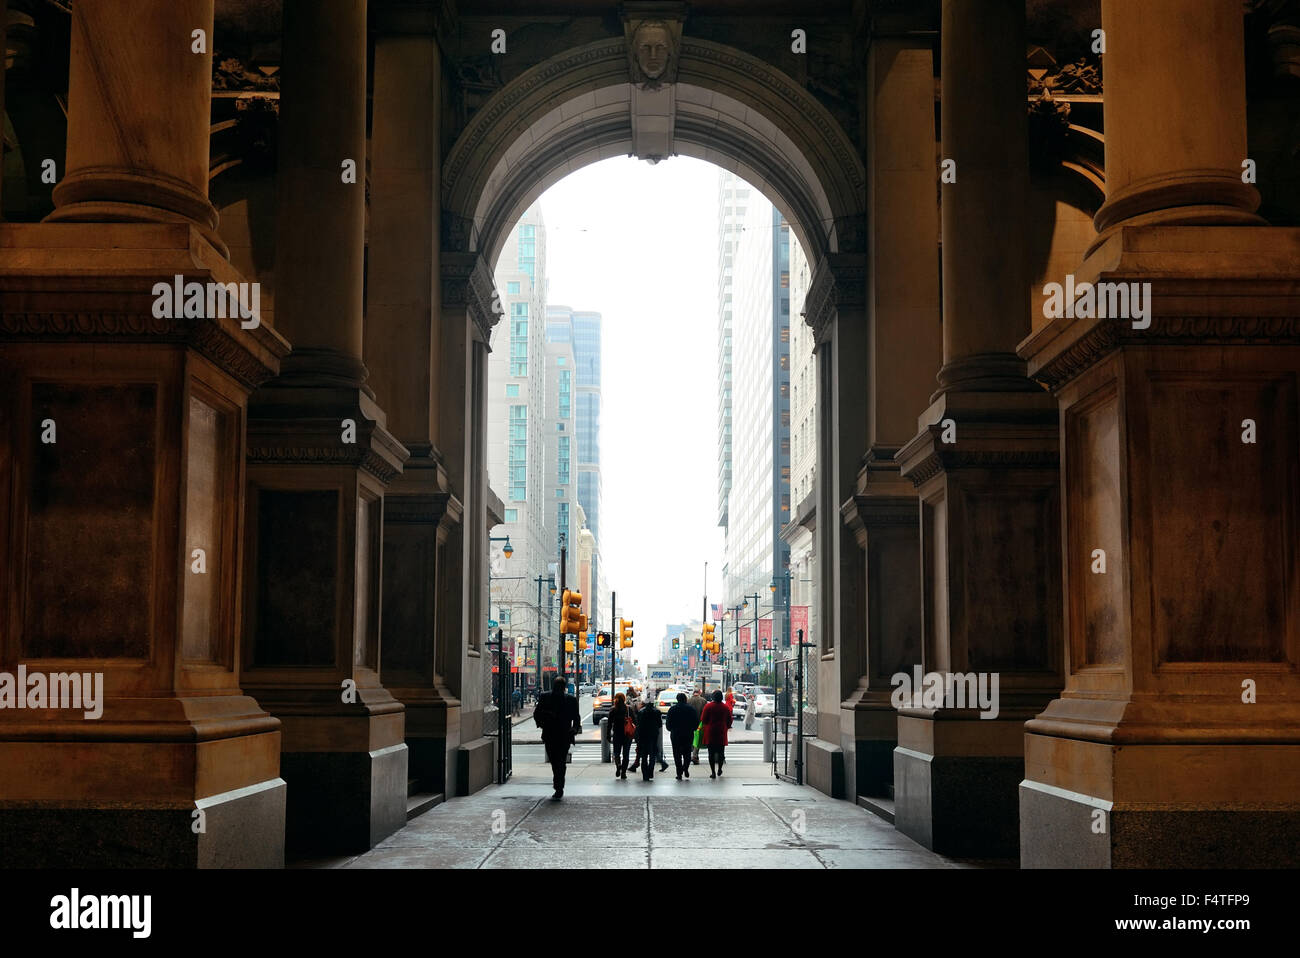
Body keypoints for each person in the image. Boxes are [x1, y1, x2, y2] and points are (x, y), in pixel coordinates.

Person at [534, 676, 581, 799]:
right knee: (558, 762)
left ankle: (558, 785)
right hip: (557, 734)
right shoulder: (566, 699)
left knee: (557, 761)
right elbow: (576, 718)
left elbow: (576, 718)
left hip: (558, 734)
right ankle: (559, 784)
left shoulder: (567, 699)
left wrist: (574, 729)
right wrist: (574, 729)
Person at [699, 689, 732, 779]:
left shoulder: (708, 706)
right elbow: (729, 720)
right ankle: (720, 768)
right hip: (721, 731)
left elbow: (703, 719)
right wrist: (727, 726)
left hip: (710, 732)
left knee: (711, 753)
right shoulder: (725, 707)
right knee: (721, 752)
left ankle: (713, 772)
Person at [665, 692, 698, 780]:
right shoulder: (691, 709)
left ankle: (679, 773)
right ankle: (685, 768)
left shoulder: (672, 709)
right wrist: (693, 729)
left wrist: (671, 729)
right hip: (688, 734)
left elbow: (668, 724)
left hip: (676, 734)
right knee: (687, 753)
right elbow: (696, 723)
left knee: (677, 754)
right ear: (686, 699)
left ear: (677, 699)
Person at [634, 697, 663, 780]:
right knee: (652, 754)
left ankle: (645, 774)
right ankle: (650, 771)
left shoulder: (641, 712)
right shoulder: (657, 712)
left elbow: (638, 724)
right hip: (653, 735)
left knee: (644, 755)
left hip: (643, 735)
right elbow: (660, 725)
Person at [609, 691, 633, 779]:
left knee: (617, 753)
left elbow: (609, 724)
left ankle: (618, 765)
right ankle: (623, 772)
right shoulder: (628, 709)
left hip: (617, 734)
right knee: (626, 754)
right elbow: (634, 721)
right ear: (624, 699)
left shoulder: (613, 710)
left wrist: (608, 735)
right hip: (627, 734)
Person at [688, 687, 707, 764]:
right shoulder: (703, 701)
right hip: (700, 724)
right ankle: (695, 756)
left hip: (689, 724)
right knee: (697, 740)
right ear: (699, 693)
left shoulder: (688, 700)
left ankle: (690, 755)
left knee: (690, 739)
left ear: (693, 693)